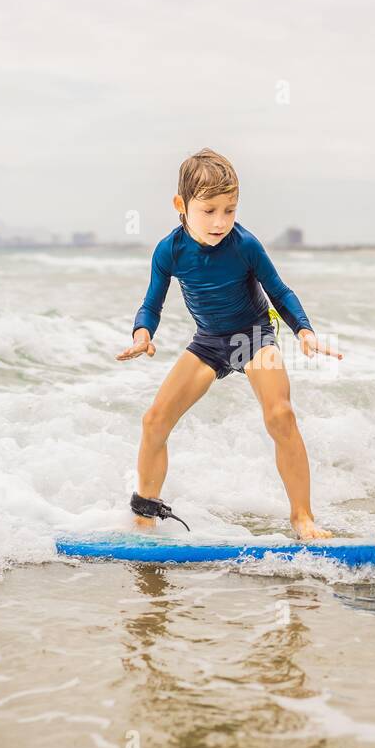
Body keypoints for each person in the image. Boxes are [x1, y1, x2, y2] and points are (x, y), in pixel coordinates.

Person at [116, 148, 342, 539]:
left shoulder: (245, 245)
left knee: (280, 416)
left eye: (230, 210)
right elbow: (152, 302)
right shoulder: (170, 250)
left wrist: (303, 331)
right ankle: (144, 516)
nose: (220, 221)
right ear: (181, 205)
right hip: (208, 342)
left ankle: (302, 518)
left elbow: (280, 293)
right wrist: (142, 334)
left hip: (252, 336)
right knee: (154, 421)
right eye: (209, 211)